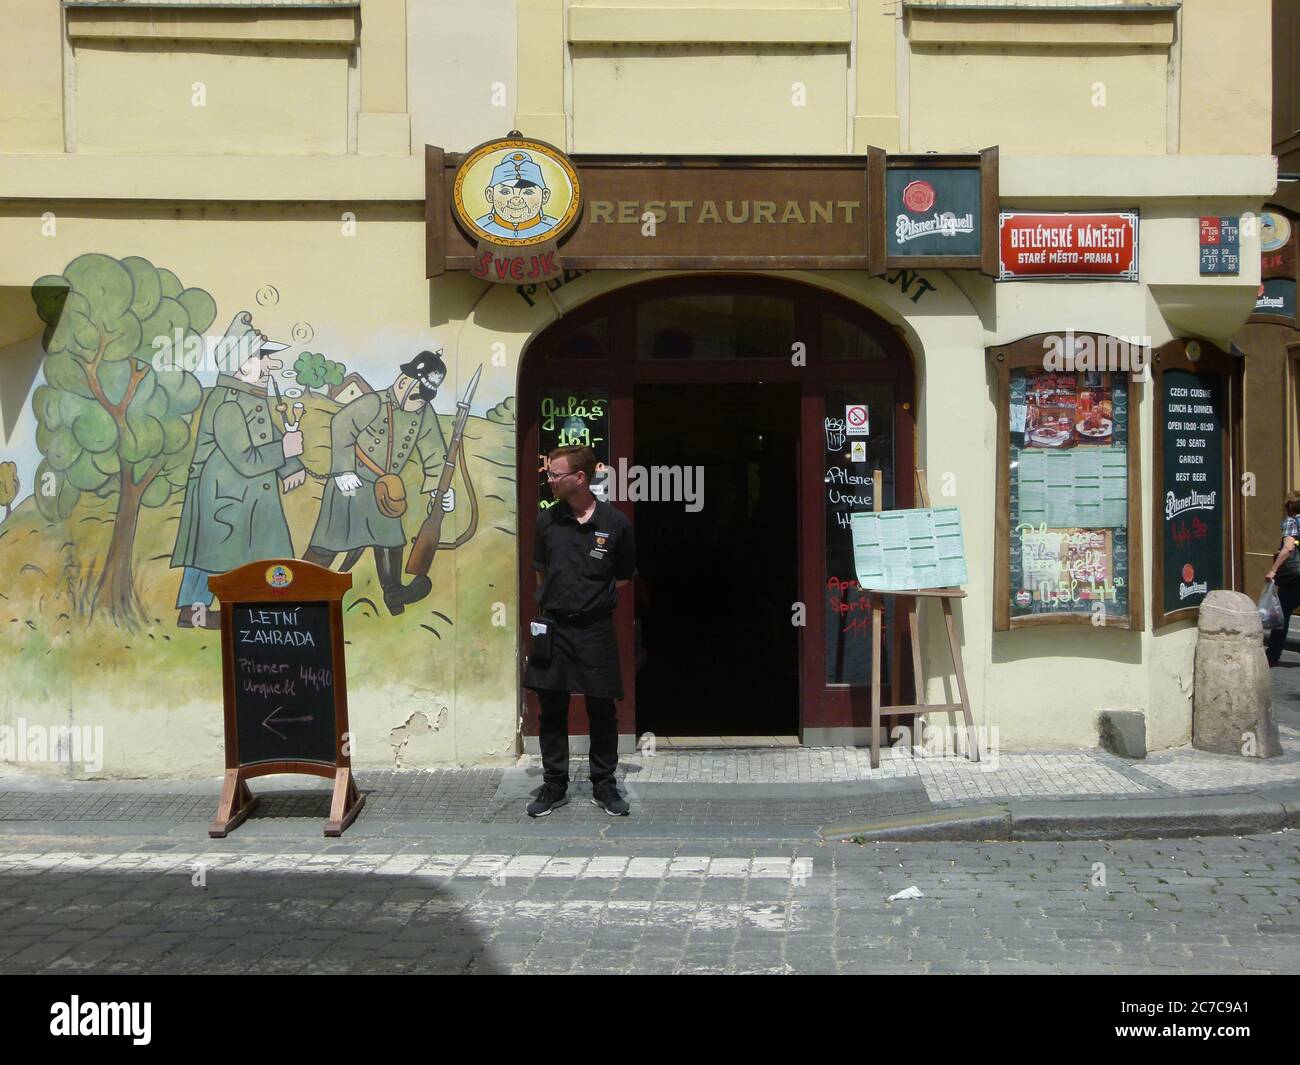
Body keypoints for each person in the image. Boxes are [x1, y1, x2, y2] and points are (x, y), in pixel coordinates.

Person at [170, 312, 305, 628]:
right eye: (263, 356)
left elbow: (268, 434)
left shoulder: (249, 398)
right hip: (224, 495)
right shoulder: (228, 404)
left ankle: (255, 605)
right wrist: (285, 450)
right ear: (243, 365)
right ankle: (194, 613)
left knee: (245, 550)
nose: (270, 365)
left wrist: (291, 465)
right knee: (213, 554)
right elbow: (245, 458)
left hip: (249, 493)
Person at [524, 445, 636, 817]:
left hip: (595, 630)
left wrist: (589, 600)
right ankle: (554, 784)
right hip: (554, 627)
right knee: (550, 708)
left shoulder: (615, 523)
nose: (550, 480)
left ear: (580, 478)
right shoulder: (546, 522)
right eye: (550, 474)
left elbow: (621, 578)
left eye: (556, 474)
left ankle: (604, 784)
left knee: (601, 708)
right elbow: (541, 572)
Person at [302, 351, 454, 615]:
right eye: (416, 391)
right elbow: (341, 424)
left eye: (424, 396)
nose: (417, 400)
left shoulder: (423, 414)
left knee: (389, 540)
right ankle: (299, 588)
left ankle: (394, 594)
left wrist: (440, 492)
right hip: (352, 483)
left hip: (386, 490)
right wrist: (343, 470)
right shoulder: (373, 402)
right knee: (329, 541)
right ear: (404, 381)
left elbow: (434, 451)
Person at [1264, 490, 1300, 665]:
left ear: (1290, 507)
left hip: (1295, 579)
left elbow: (1289, 548)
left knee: (1282, 615)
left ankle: (1272, 656)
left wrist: (1273, 570)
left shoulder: (1292, 522)